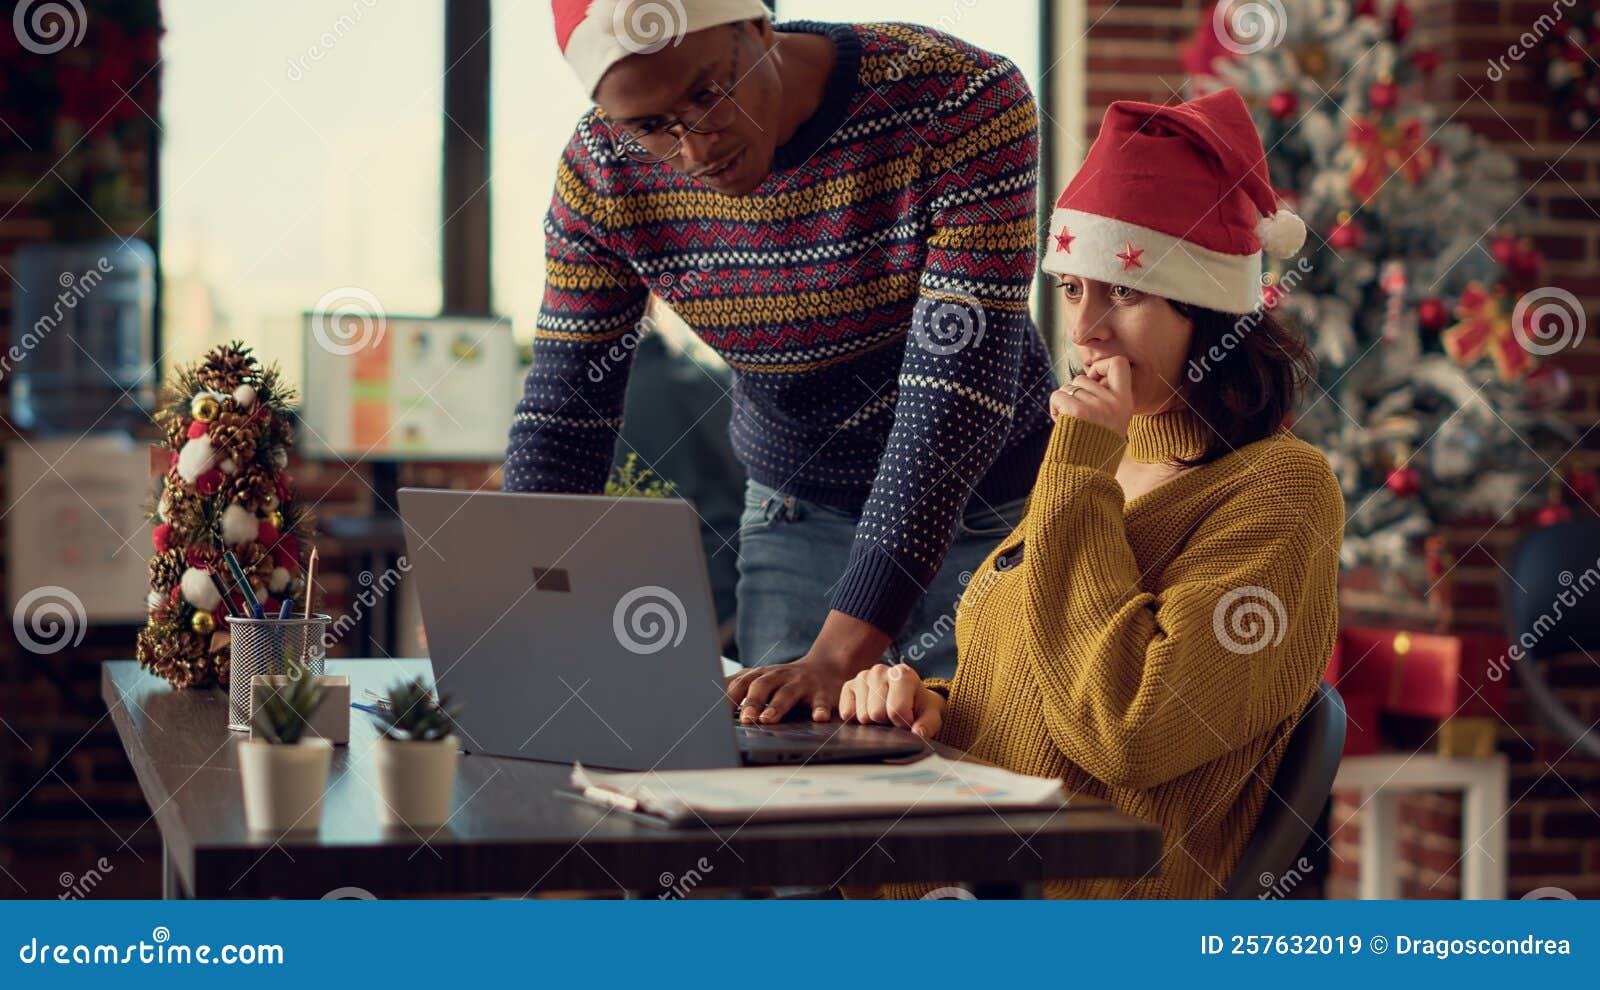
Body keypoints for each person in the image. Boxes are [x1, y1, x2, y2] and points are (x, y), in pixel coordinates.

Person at [840, 88, 1345, 898]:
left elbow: (1128, 731)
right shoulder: (1104, 463)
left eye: (1126, 292)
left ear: (1209, 309)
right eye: (1073, 289)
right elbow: (1031, 677)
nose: (1084, 330)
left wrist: (1073, 471)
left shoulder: (1281, 491)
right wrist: (924, 703)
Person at [506, 1, 1056, 722]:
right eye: (650, 127)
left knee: (985, 789)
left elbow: (952, 398)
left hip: (994, 515)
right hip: (800, 512)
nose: (695, 151)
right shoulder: (606, 172)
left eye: (708, 95)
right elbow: (565, 413)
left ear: (760, 28)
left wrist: (839, 653)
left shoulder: (957, 97)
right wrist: (517, 605)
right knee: (784, 797)